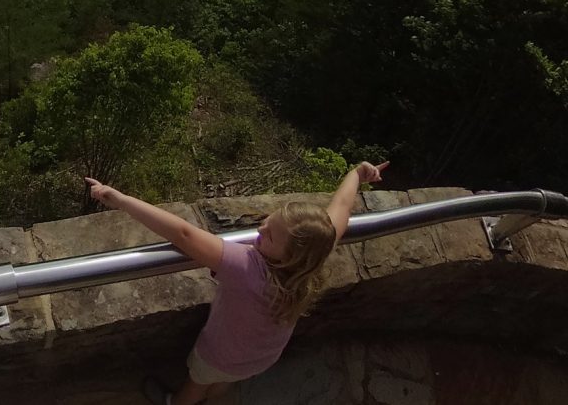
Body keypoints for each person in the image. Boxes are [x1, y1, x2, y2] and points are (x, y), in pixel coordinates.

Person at [84, 160, 386, 405]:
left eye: (269, 234)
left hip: (218, 355)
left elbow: (184, 234)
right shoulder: (313, 257)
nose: (261, 227)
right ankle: (216, 396)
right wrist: (357, 174)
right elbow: (341, 209)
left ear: (289, 255)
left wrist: (120, 200)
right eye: (270, 219)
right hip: (260, 358)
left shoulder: (247, 267)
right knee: (224, 382)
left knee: (197, 381)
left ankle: (177, 402)